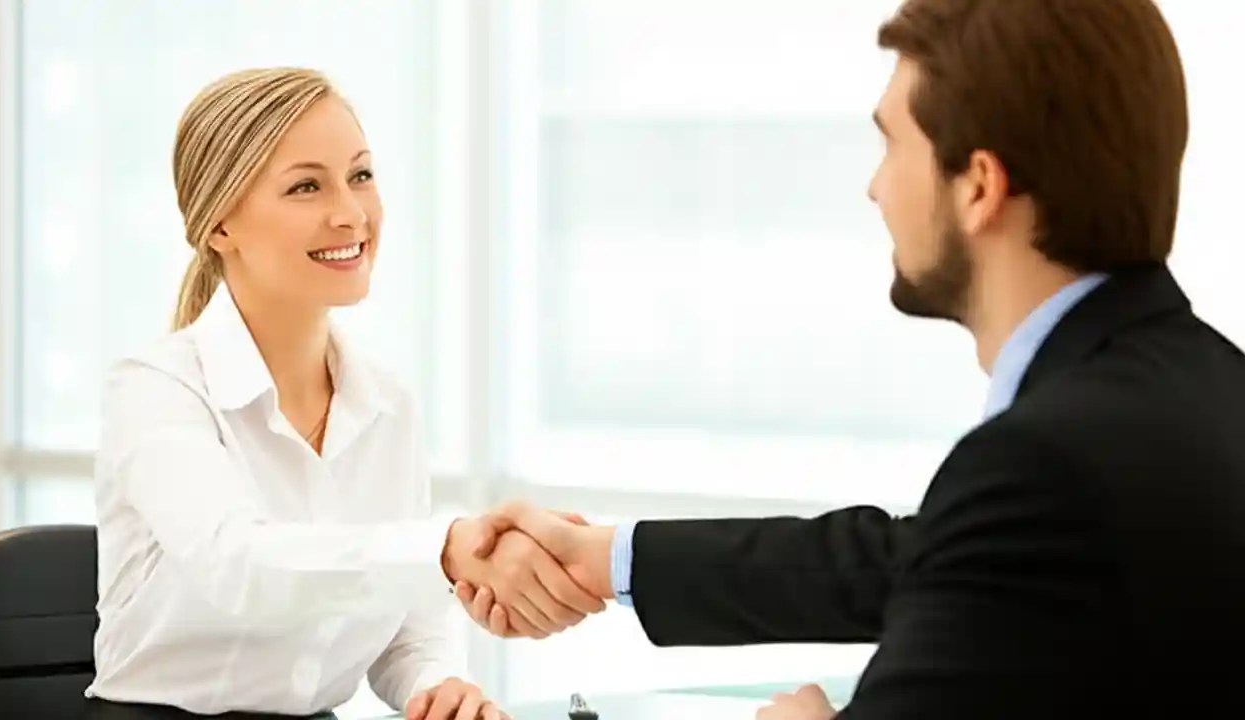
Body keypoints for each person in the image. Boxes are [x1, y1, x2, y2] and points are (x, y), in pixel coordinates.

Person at [457, 0, 1245, 717]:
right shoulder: (1210, 387)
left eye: (891, 142)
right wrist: (607, 559)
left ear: (978, 186)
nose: (874, 187)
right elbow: (924, 562)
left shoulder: (1042, 462)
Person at [86, 67, 602, 720]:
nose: (351, 214)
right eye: (306, 186)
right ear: (219, 226)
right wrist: (447, 550)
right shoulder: (155, 390)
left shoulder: (388, 404)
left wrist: (437, 686)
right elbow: (238, 566)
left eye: (360, 175)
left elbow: (406, 630)